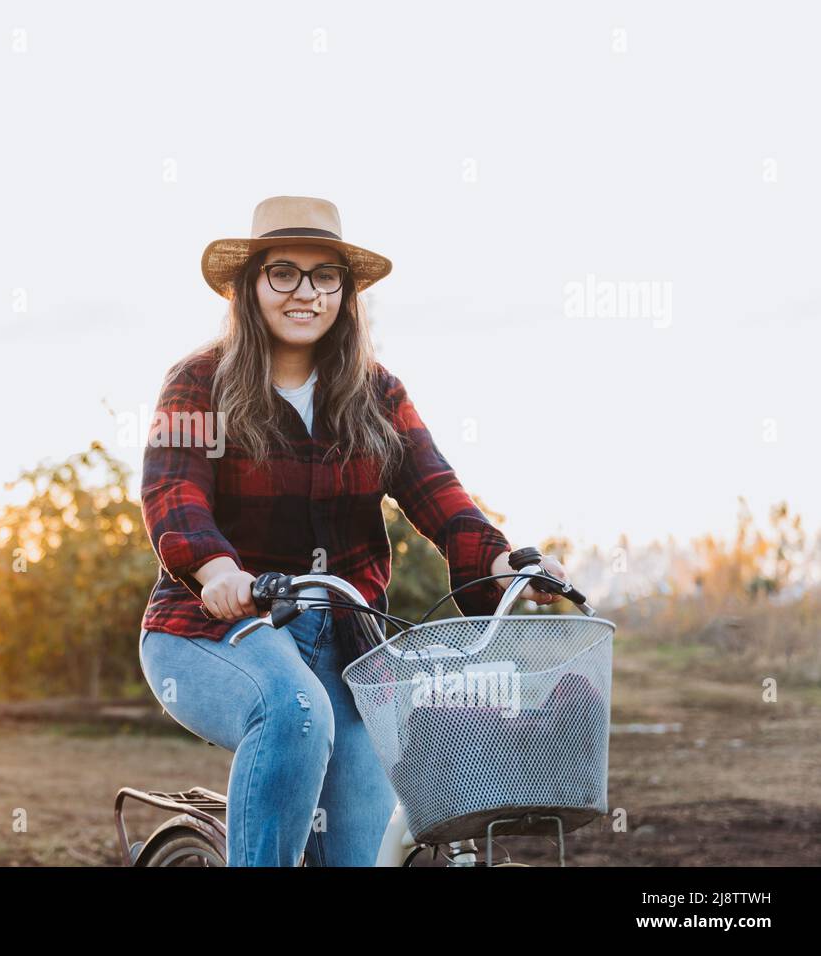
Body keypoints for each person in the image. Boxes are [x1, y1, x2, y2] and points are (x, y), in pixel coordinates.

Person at [137, 195, 569, 866]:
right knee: (294, 714)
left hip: (349, 648)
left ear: (346, 292)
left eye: (324, 275)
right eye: (283, 272)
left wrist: (503, 563)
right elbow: (174, 493)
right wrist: (217, 570)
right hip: (210, 630)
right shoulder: (199, 383)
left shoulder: (378, 395)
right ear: (251, 286)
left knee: (362, 856)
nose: (304, 292)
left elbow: (441, 497)